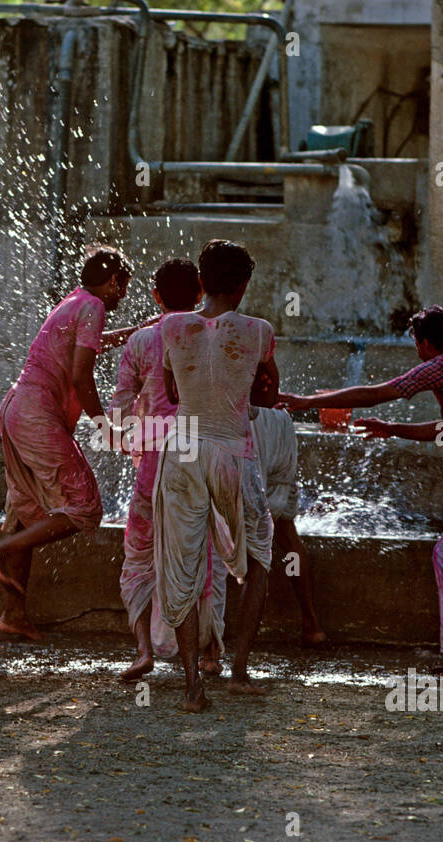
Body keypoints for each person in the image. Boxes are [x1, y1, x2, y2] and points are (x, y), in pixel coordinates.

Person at [279, 305, 443, 671]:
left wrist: (309, 402)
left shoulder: (439, 366)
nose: (416, 351)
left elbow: (377, 393)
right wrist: (392, 429)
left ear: (425, 343)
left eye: (416, 343)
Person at [0, 247, 132, 639]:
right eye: (122, 288)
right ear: (112, 282)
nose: (122, 297)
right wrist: (104, 425)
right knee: (86, 507)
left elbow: (81, 347)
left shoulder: (75, 300)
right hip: (36, 415)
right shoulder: (94, 305)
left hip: (16, 408)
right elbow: (81, 375)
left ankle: (14, 615)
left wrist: (132, 333)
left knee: (27, 512)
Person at [154, 239, 278, 712]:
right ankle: (239, 671)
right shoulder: (258, 331)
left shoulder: (172, 327)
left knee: (182, 566)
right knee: (258, 557)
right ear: (244, 285)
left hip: (183, 447)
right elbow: (268, 397)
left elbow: (168, 390)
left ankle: (191, 688)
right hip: (233, 448)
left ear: (201, 282)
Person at [109, 259, 226, 682]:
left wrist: (126, 441)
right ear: (199, 290)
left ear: (155, 295)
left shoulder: (142, 341)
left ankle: (143, 651)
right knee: (202, 556)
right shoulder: (212, 336)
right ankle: (209, 653)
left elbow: (120, 404)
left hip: (155, 463)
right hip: (199, 458)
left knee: (139, 558)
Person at [250, 405, 326, 646]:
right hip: (278, 421)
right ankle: (311, 624)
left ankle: (221, 649)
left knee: (252, 540)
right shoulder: (279, 414)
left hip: (245, 420)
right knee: (285, 531)